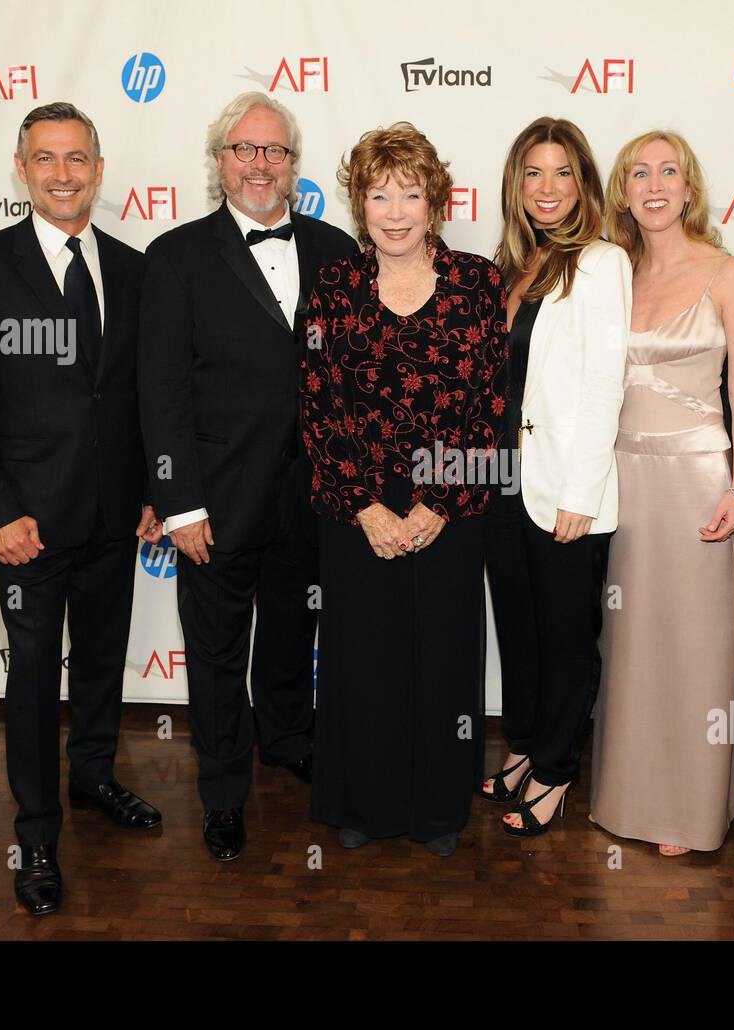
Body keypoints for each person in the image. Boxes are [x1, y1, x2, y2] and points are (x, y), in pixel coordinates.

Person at [0, 102, 162, 917]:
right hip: (27, 525)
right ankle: (35, 832)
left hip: (113, 517)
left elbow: (139, 397)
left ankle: (95, 777)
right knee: (33, 678)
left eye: (78, 159)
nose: (63, 174)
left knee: (103, 661)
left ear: (99, 171)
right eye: (46, 160)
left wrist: (152, 491)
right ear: (22, 169)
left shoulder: (135, 269)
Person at [137, 92, 357, 862]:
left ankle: (290, 738)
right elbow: (159, 391)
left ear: (293, 165)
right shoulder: (174, 257)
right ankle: (224, 791)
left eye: (276, 152)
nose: (261, 165)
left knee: (296, 632)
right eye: (245, 150)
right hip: (217, 500)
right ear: (220, 160)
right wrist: (178, 501)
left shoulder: (338, 250)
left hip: (316, 498)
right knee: (220, 649)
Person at [301, 122, 506, 857]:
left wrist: (439, 504)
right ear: (359, 202)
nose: (394, 211)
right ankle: (365, 803)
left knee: (444, 660)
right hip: (356, 508)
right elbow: (318, 404)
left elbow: (491, 406)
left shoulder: (479, 282)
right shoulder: (333, 286)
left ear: (436, 201)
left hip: (450, 508)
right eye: (378, 194)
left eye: (409, 194)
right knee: (364, 659)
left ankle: (437, 811)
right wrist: (366, 507)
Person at [589, 130, 734, 856]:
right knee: (629, 645)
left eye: (668, 172)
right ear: (622, 193)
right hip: (622, 481)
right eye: (638, 173)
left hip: (698, 482)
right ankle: (626, 795)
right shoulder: (610, 273)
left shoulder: (729, 273)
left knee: (696, 648)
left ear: (688, 187)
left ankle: (688, 811)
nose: (654, 185)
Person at [480, 117, 631, 837]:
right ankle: (531, 745)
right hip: (503, 483)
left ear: (584, 183)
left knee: (567, 635)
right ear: (516, 183)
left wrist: (581, 494)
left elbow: (606, 386)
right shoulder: (509, 267)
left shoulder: (603, 263)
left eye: (562, 173)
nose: (547, 188)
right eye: (534, 173)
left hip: (565, 487)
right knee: (519, 628)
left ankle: (557, 771)